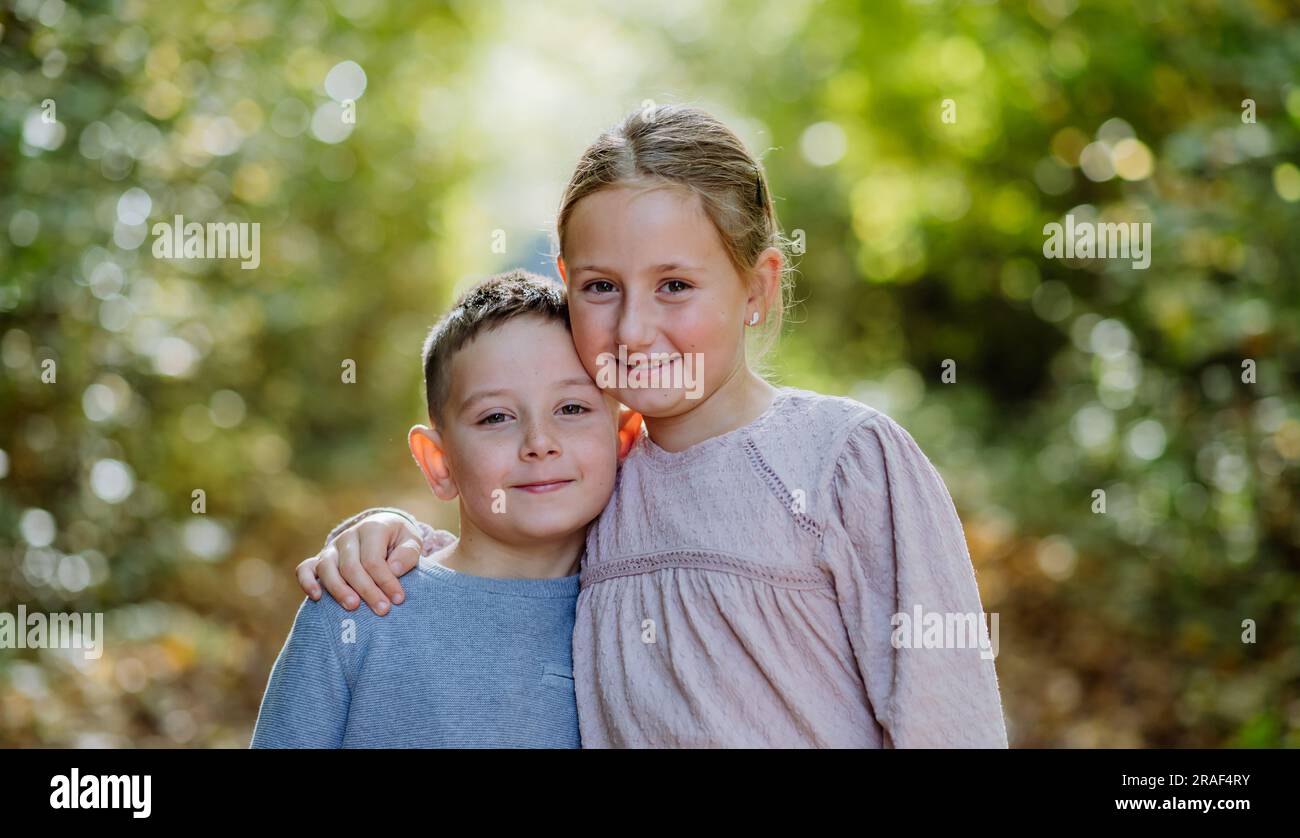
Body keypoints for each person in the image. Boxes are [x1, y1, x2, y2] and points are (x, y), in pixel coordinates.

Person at [296, 105, 1008, 748]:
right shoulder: (603, 479)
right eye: (602, 287)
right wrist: (391, 534)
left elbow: (950, 720)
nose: (634, 329)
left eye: (675, 285)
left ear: (756, 287)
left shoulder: (844, 461)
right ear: (567, 281)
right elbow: (496, 573)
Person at [252, 269, 637, 747]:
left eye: (572, 408)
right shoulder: (360, 603)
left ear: (624, 438)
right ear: (439, 462)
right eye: (495, 417)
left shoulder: (636, 619)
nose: (540, 443)